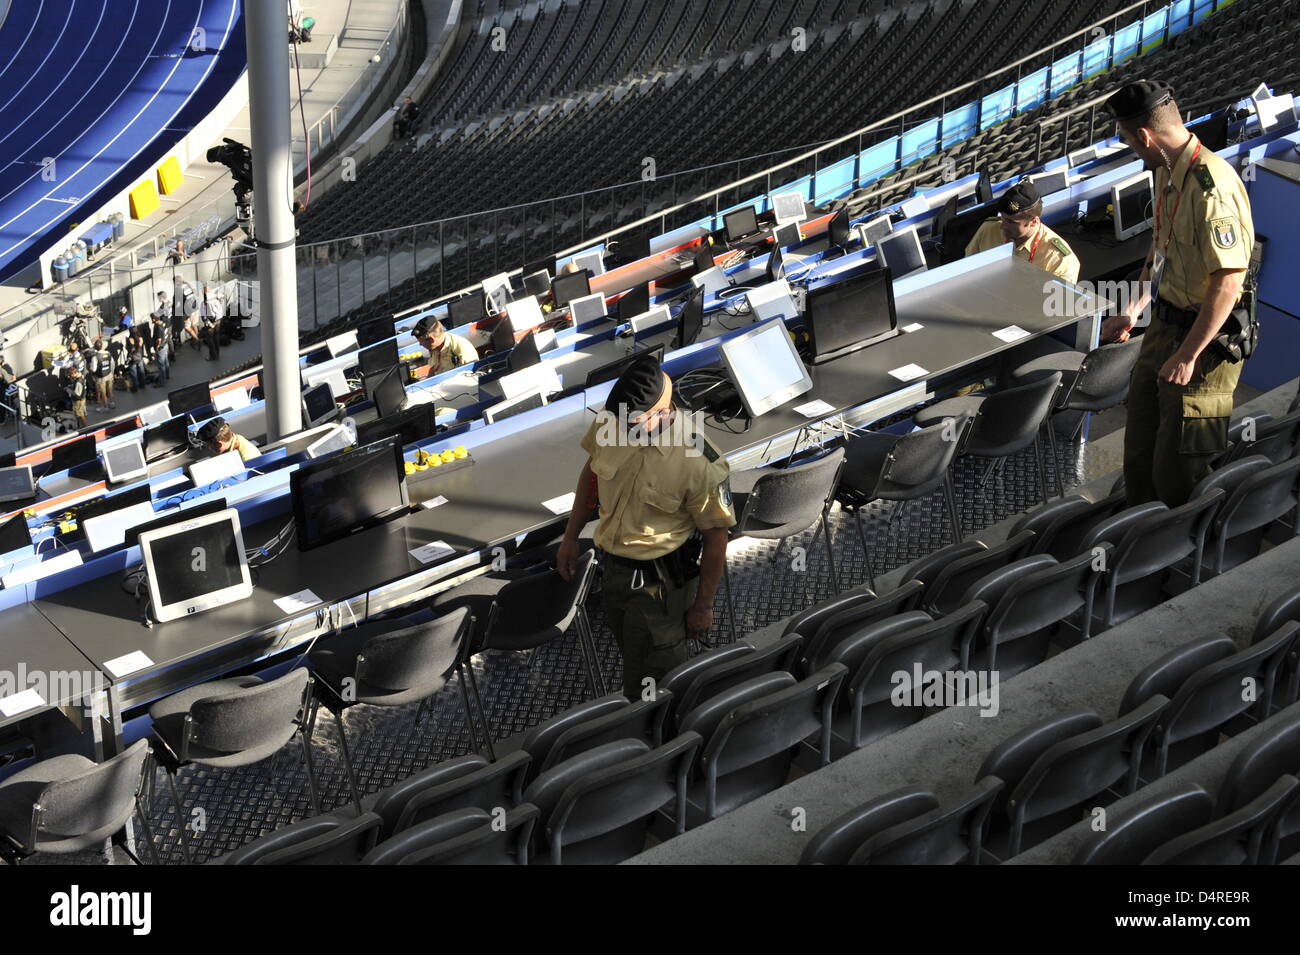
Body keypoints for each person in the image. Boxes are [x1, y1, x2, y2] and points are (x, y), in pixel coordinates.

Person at [1100, 80, 1255, 508]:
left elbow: (1228, 284)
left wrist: (1187, 355)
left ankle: (1175, 562)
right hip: (1163, 328)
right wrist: (1132, 310)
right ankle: (1135, 540)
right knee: (1139, 457)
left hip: (1203, 347)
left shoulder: (1212, 189)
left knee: (1177, 473)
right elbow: (1160, 250)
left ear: (1145, 136)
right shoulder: (1167, 173)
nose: (1131, 148)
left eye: (1128, 139)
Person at [556, 354, 736, 699]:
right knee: (633, 657)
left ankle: (667, 745)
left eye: (634, 423)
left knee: (657, 683)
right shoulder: (617, 419)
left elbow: (717, 538)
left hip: (660, 584)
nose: (623, 429)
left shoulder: (699, 460)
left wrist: (703, 606)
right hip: (613, 570)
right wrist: (570, 537)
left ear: (662, 412)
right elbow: (592, 471)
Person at [964, 179, 1080, 284]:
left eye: (1011, 222)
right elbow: (966, 271)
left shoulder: (1058, 259)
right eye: (1003, 218)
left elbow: (1055, 303)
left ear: (1033, 222)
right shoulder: (989, 229)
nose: (1003, 226)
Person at [413, 317, 478, 375]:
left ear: (431, 340)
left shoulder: (463, 349)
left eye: (421, 342)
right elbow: (433, 369)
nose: (420, 344)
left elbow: (470, 375)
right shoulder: (434, 347)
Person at [89, 336, 115, 411]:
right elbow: (112, 363)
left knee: (103, 392)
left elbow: (93, 369)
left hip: (101, 377)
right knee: (109, 390)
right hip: (109, 374)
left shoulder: (95, 357)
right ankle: (112, 403)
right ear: (102, 346)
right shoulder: (108, 353)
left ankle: (105, 407)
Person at [151, 315, 171, 386]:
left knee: (161, 365)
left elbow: (159, 339)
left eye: (152, 319)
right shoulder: (163, 323)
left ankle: (161, 382)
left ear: (154, 319)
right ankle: (167, 376)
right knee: (166, 362)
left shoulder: (157, 326)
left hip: (161, 348)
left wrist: (157, 346)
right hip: (165, 345)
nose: (151, 320)